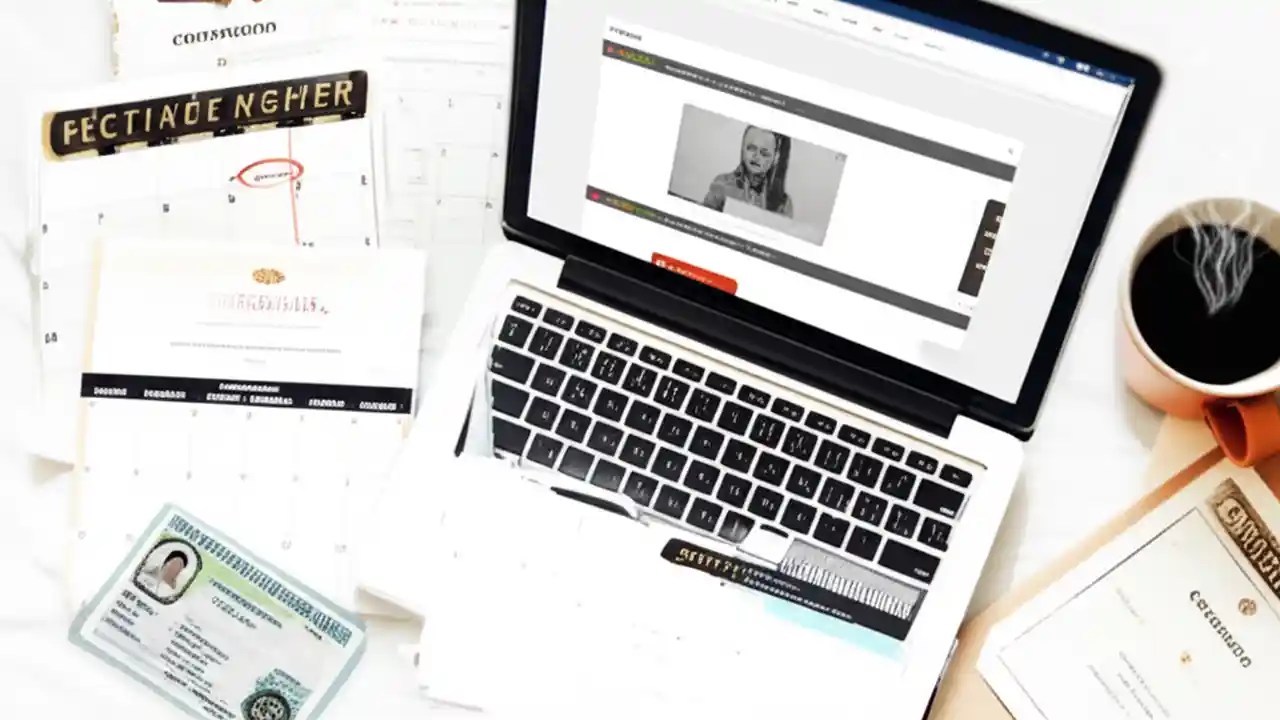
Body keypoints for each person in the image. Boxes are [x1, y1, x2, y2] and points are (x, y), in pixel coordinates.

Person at [703, 125, 794, 218]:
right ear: (743, 148)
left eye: (764, 153)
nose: (756, 156)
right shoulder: (722, 183)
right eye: (751, 148)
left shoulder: (783, 204)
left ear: (775, 158)